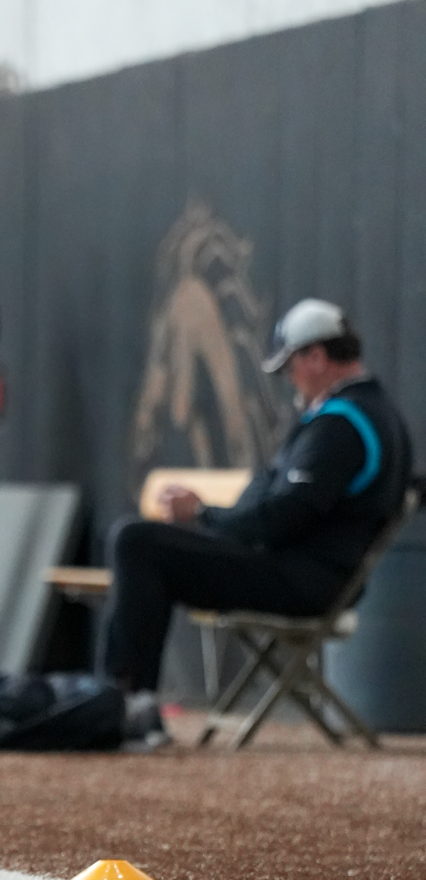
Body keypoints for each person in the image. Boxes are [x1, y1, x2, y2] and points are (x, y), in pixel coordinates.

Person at [103, 298, 413, 747]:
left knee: (137, 542)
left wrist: (203, 515)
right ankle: (129, 699)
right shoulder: (375, 413)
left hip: (300, 580)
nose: (290, 378)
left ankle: (129, 705)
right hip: (309, 573)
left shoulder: (340, 426)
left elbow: (279, 518)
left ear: (316, 357)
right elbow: (274, 502)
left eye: (291, 366)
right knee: (143, 543)